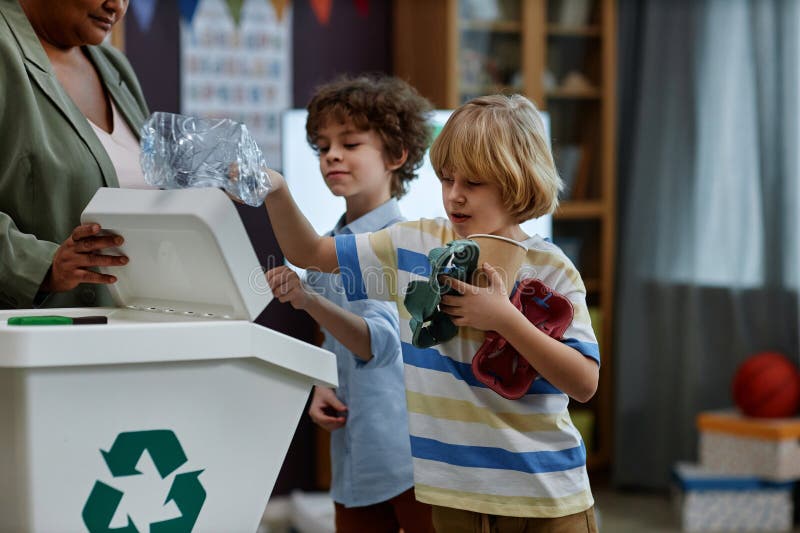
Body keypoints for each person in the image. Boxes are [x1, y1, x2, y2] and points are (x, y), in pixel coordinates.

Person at [263, 94, 600, 532]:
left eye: (473, 183)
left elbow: (584, 383)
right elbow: (309, 253)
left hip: (546, 500)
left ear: (517, 180)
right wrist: (276, 188)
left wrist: (504, 319)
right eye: (446, 179)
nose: (454, 196)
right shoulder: (413, 244)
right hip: (453, 499)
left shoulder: (553, 268)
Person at [265, 74, 435, 533]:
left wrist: (306, 301)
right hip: (355, 460)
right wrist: (324, 384)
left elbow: (379, 344)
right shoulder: (329, 245)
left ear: (396, 155)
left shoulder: (403, 244)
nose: (332, 156)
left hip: (407, 459)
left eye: (350, 143)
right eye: (322, 147)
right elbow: (337, 342)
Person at [0, 0, 149, 310]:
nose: (117, 7)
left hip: (130, 338)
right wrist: (41, 267)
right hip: (29, 345)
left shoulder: (114, 65)